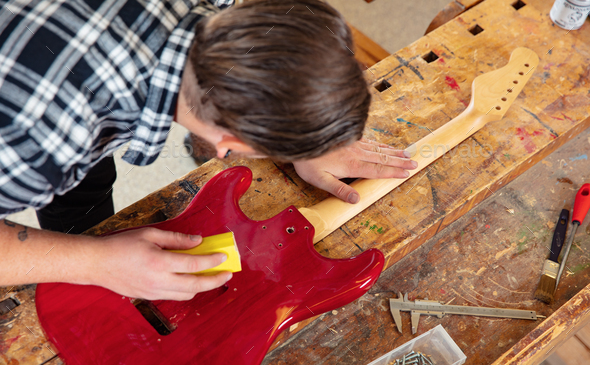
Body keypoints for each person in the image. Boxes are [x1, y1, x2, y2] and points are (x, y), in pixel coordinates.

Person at [0, 0, 417, 301]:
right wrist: (95, 263)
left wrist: (300, 121)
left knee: (86, 192)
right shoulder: (41, 138)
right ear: (230, 148)